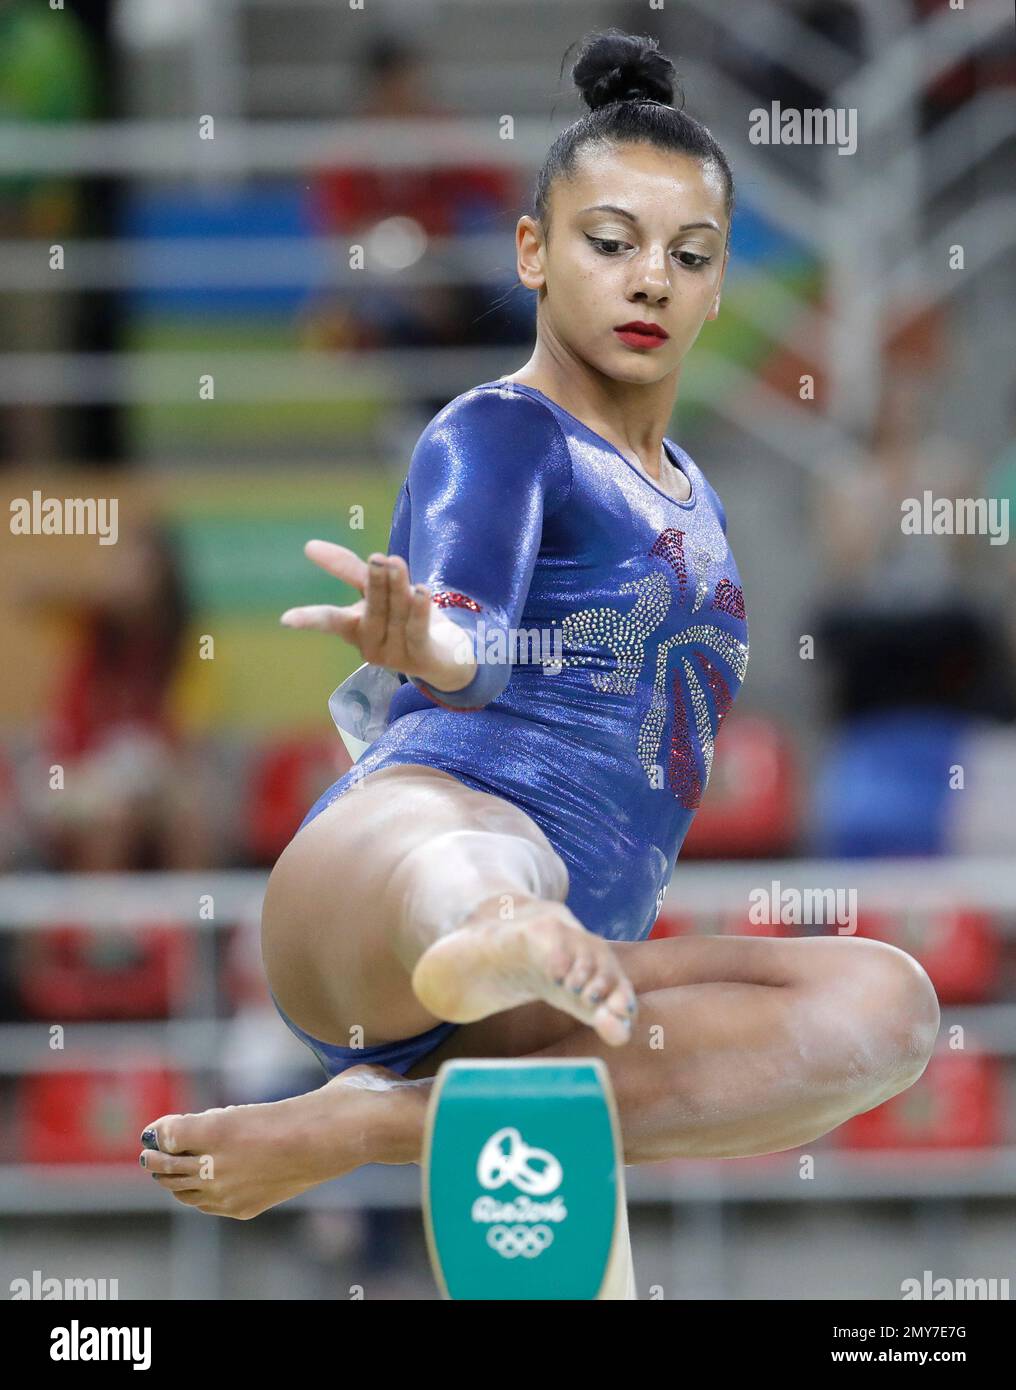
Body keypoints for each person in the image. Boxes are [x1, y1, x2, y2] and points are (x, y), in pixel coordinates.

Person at [139, 29, 939, 1224]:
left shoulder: (699, 500)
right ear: (533, 251)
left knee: (890, 1007)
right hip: (389, 887)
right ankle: (488, 920)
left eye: (688, 253)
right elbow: (464, 627)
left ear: (718, 283)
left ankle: (367, 1121)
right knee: (483, 858)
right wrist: (433, 649)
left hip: (549, 998)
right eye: (608, 243)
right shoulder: (501, 430)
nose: (649, 278)